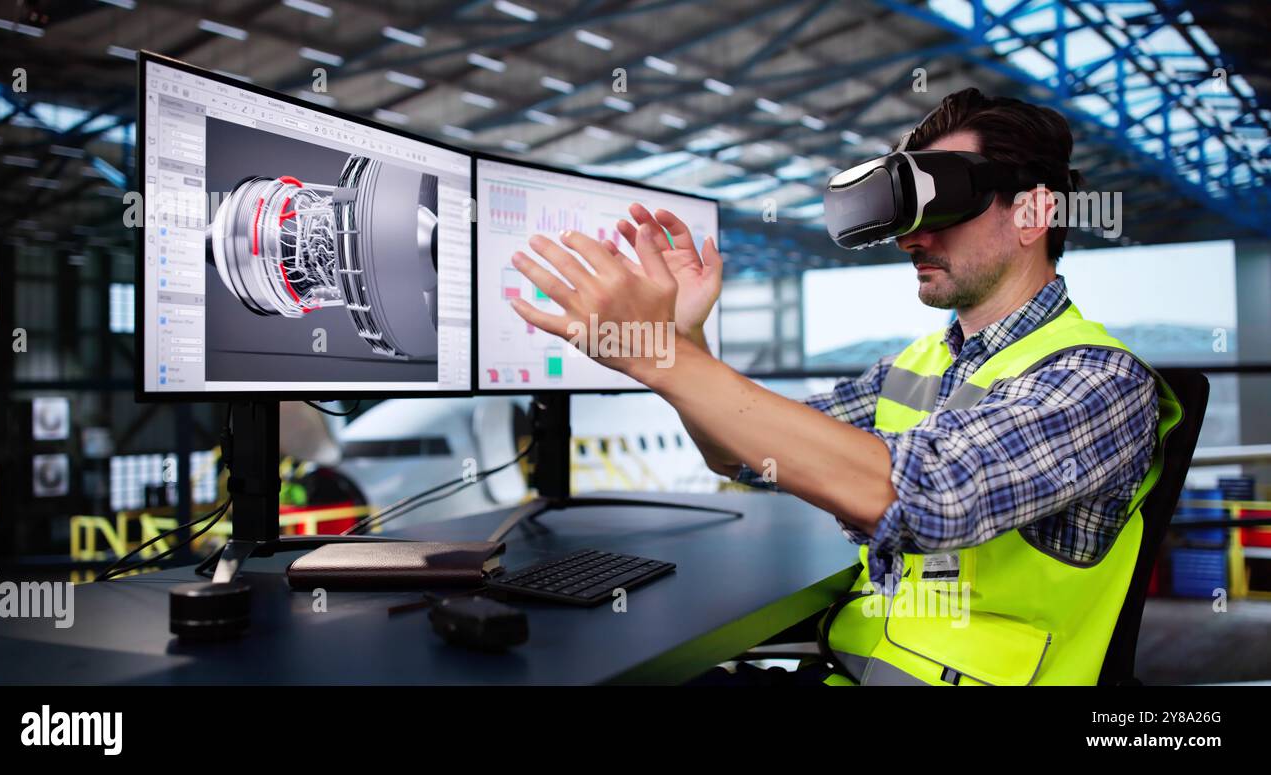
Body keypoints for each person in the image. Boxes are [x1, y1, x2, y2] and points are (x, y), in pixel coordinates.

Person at [506, 88, 1181, 686]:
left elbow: (919, 496)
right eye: (907, 215)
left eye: (942, 203)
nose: (911, 238)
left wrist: (656, 359)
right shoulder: (915, 367)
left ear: (1032, 215)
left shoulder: (1099, 381)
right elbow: (740, 453)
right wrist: (684, 342)